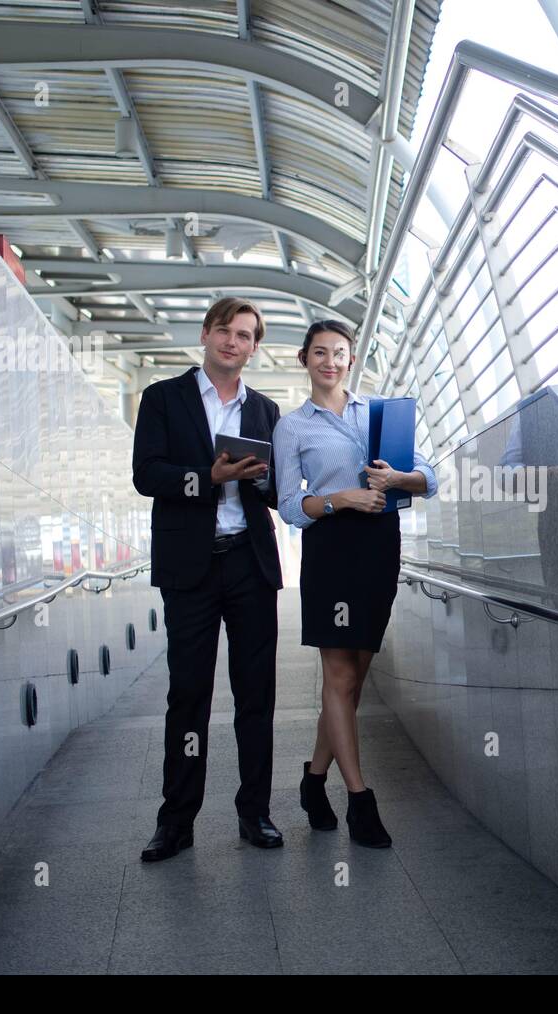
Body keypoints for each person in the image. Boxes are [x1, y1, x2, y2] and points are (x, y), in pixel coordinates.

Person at [272, 319, 437, 848]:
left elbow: (429, 476)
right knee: (339, 677)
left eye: (339, 352)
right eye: (319, 352)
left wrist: (397, 480)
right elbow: (289, 506)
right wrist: (340, 498)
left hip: (378, 549)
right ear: (305, 360)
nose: (330, 361)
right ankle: (360, 800)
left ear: (351, 359)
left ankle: (313, 781)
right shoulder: (294, 427)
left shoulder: (381, 414)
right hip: (331, 549)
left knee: (354, 679)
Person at [131, 297, 284, 862]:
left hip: (249, 562)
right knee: (188, 694)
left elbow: (276, 491)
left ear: (253, 348)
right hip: (190, 567)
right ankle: (176, 822)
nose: (233, 342)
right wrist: (206, 477)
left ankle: (256, 812)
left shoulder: (265, 411)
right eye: (225, 330)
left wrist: (262, 482)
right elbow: (146, 474)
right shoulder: (163, 399)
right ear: (206, 333)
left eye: (245, 335)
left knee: (256, 696)